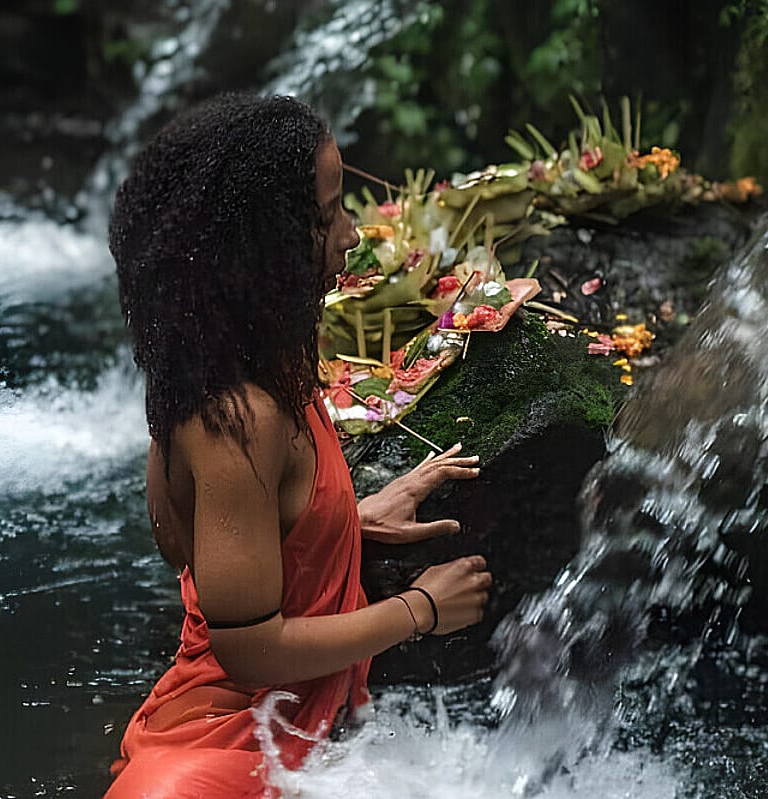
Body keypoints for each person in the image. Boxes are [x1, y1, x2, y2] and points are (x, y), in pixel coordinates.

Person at [105, 93, 492, 798]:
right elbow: (247, 647)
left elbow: (219, 537)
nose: (352, 233)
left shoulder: (242, 360)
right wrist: (421, 610)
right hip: (218, 762)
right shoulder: (233, 412)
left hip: (296, 740)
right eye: (328, 215)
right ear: (264, 242)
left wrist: (346, 521)